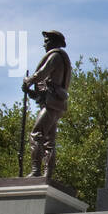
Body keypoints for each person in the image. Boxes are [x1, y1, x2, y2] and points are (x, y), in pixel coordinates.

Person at [23, 30, 72, 177]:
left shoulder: (55, 56)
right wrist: (30, 92)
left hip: (52, 104)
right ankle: (47, 174)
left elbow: (42, 74)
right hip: (53, 103)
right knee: (49, 141)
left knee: (36, 134)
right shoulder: (59, 57)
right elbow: (46, 88)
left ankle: (36, 171)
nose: (44, 44)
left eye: (46, 41)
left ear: (54, 42)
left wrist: (29, 80)